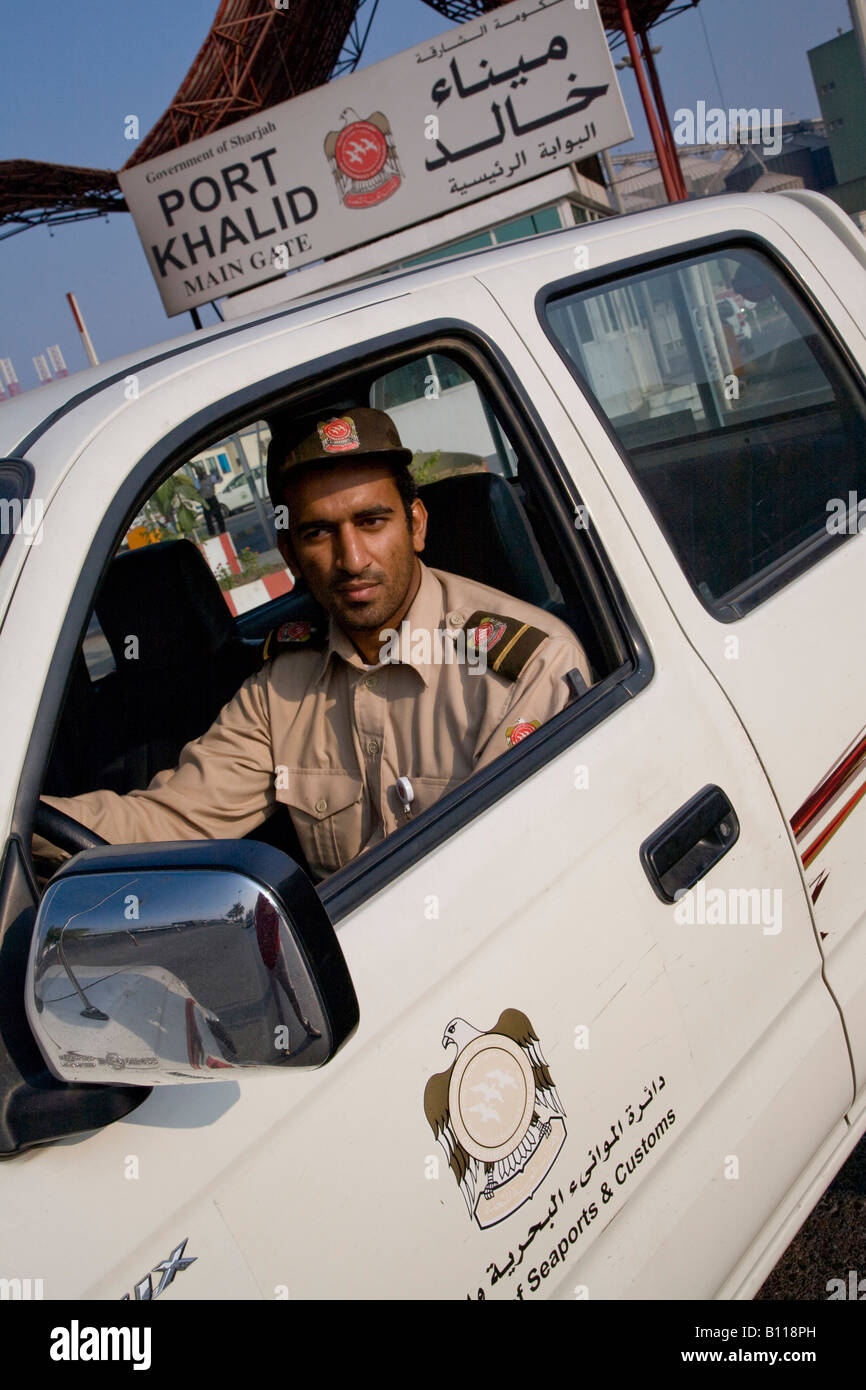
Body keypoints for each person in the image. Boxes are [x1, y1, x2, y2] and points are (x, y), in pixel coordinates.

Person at [34, 408, 592, 881]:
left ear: (416, 525)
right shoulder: (282, 686)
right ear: (289, 553)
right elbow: (171, 819)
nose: (351, 558)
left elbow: (506, 868)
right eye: (319, 532)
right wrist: (19, 826)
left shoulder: (526, 669)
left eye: (372, 521)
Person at [195, 463, 226, 536]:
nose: (202, 473)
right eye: (199, 473)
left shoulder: (210, 477)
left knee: (219, 516)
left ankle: (223, 531)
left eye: (202, 472)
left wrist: (218, 476)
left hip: (213, 499)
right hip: (205, 501)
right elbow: (196, 490)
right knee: (208, 519)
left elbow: (220, 480)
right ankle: (212, 533)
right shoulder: (197, 482)